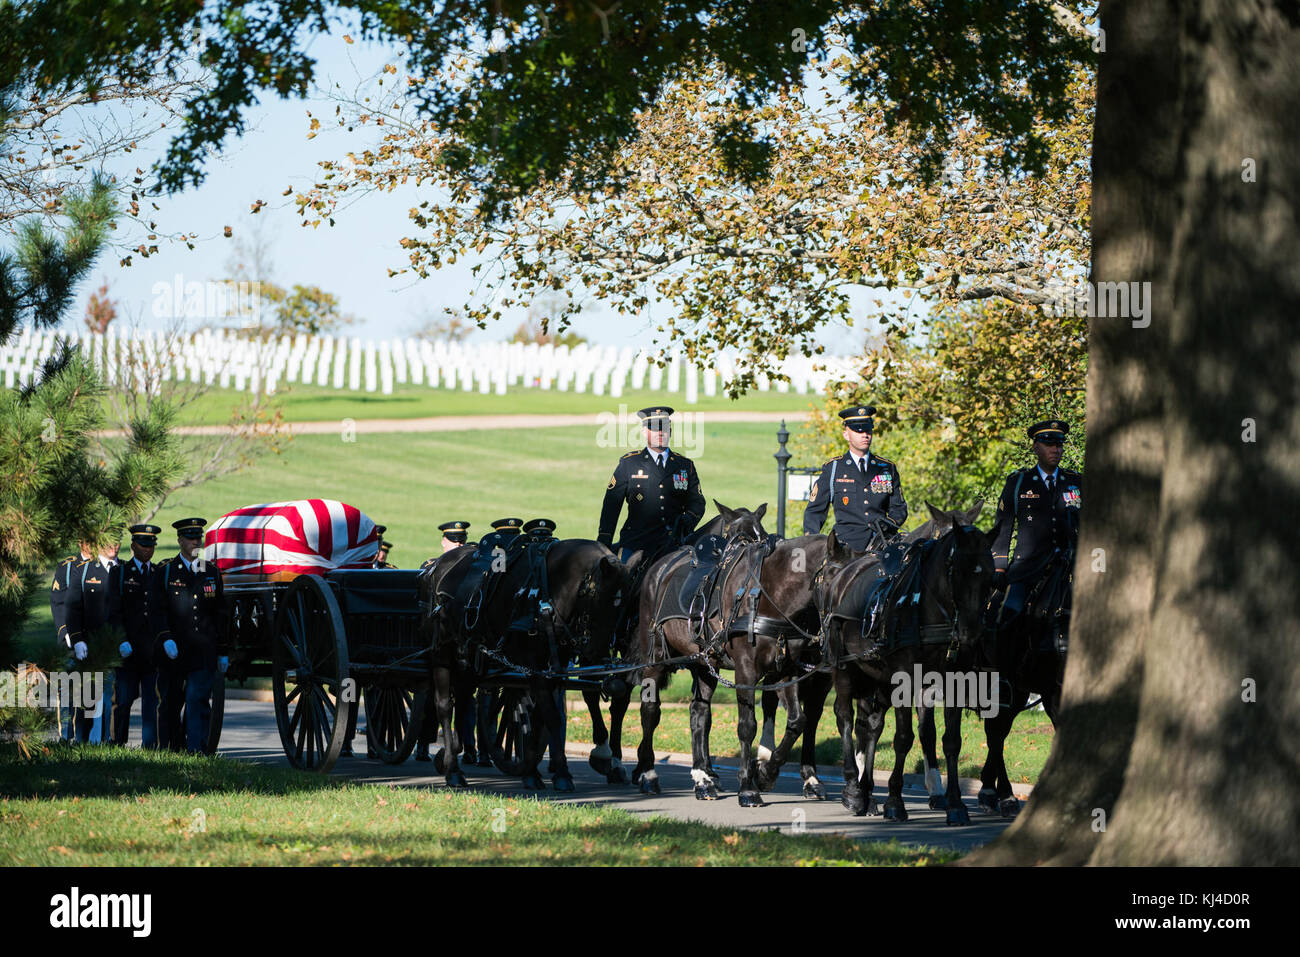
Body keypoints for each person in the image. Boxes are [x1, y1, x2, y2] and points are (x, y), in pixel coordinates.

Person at [988, 419, 1083, 629]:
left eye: (1059, 444)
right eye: (1049, 444)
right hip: (1028, 568)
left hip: (1071, 566)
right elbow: (1003, 527)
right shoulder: (1019, 482)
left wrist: (1099, 565)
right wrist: (1000, 568)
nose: (1056, 449)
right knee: (1007, 617)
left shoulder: (1076, 482)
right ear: (1036, 447)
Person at [151, 517, 229, 754]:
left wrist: (223, 650)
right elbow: (156, 610)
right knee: (171, 703)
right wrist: (165, 638)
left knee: (197, 700)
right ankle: (170, 750)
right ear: (180, 541)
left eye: (199, 537)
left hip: (202, 650)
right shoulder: (165, 571)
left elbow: (220, 614)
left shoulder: (211, 572)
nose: (196, 541)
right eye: (191, 538)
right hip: (174, 650)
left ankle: (196, 750)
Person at [597, 405, 705, 562]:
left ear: (671, 431)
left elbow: (697, 502)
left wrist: (688, 518)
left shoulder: (684, 465)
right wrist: (604, 542)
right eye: (655, 428)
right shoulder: (629, 464)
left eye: (665, 428)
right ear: (644, 432)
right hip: (637, 544)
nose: (660, 433)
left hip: (674, 545)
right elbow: (611, 505)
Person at [802, 405, 908, 550]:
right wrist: (810, 546)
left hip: (882, 544)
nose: (865, 435)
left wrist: (888, 523)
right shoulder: (833, 468)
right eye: (859, 430)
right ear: (846, 434)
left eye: (868, 430)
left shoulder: (886, 468)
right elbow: (815, 511)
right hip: (847, 547)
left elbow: (899, 508)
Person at [107, 524, 161, 748]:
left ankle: (150, 745)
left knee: (152, 700)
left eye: (151, 545)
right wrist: (121, 640)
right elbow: (113, 610)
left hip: (152, 650)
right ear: (133, 546)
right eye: (143, 544)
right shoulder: (120, 573)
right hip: (128, 649)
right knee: (124, 700)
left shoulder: (158, 573)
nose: (148, 549)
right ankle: (118, 742)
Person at [65, 538, 120, 743]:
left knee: (108, 699)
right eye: (109, 542)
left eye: (118, 542)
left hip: (116, 646)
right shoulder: (86, 570)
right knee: (87, 700)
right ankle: (82, 742)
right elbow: (72, 607)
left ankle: (104, 743)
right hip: (89, 646)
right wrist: (77, 639)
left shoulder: (122, 569)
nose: (114, 546)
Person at [50, 541, 93, 742]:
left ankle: (85, 739)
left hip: (92, 638)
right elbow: (58, 602)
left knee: (89, 692)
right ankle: (65, 737)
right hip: (69, 641)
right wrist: (65, 632)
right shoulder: (67, 567)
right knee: (67, 690)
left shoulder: (104, 567)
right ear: (80, 542)